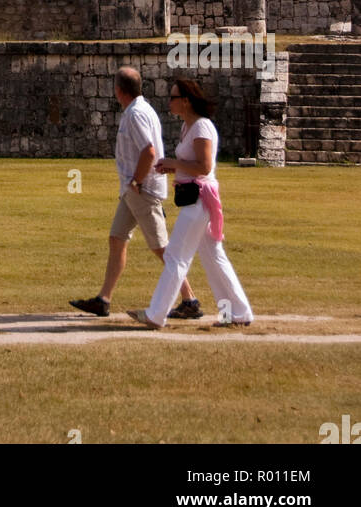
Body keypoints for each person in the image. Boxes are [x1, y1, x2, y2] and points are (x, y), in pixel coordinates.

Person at [70, 66, 200, 319]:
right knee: (117, 238)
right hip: (134, 191)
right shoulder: (141, 110)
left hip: (143, 190)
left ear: (119, 91)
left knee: (162, 248)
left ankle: (190, 299)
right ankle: (103, 299)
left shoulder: (135, 114)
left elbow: (149, 151)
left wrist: (137, 181)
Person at [127, 77, 254, 330]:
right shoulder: (188, 128)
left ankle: (156, 314)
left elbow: (205, 167)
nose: (169, 102)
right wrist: (174, 168)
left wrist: (174, 164)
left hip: (200, 200)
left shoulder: (201, 127)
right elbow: (193, 166)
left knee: (176, 255)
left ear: (185, 101)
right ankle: (238, 312)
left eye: (173, 98)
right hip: (194, 198)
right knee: (213, 258)